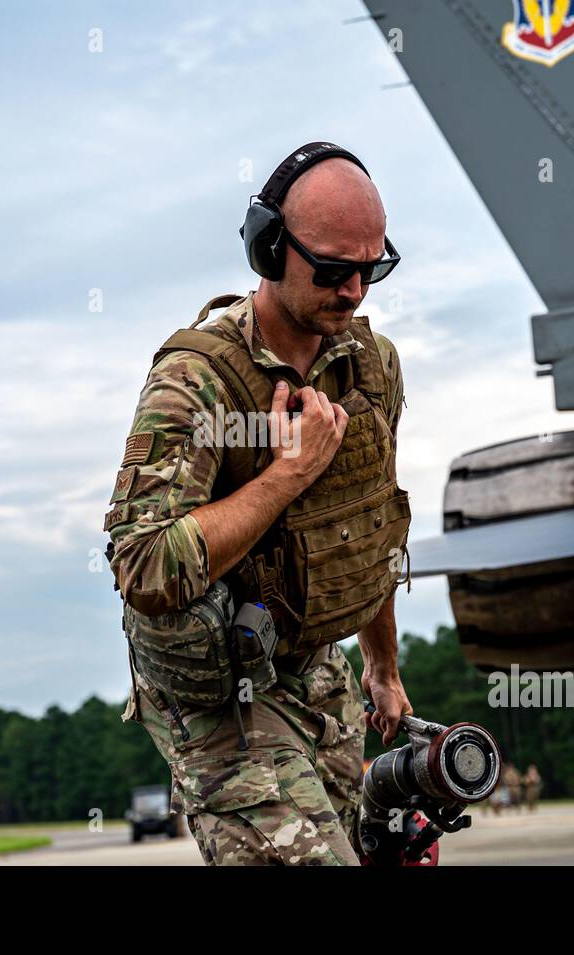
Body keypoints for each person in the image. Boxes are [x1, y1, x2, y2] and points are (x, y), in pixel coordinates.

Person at [105, 142, 412, 865]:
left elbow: (368, 527)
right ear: (270, 249)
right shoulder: (196, 381)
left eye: (373, 268)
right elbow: (144, 565)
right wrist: (285, 475)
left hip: (317, 673)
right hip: (219, 693)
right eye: (333, 269)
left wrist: (384, 667)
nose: (355, 290)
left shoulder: (370, 367)